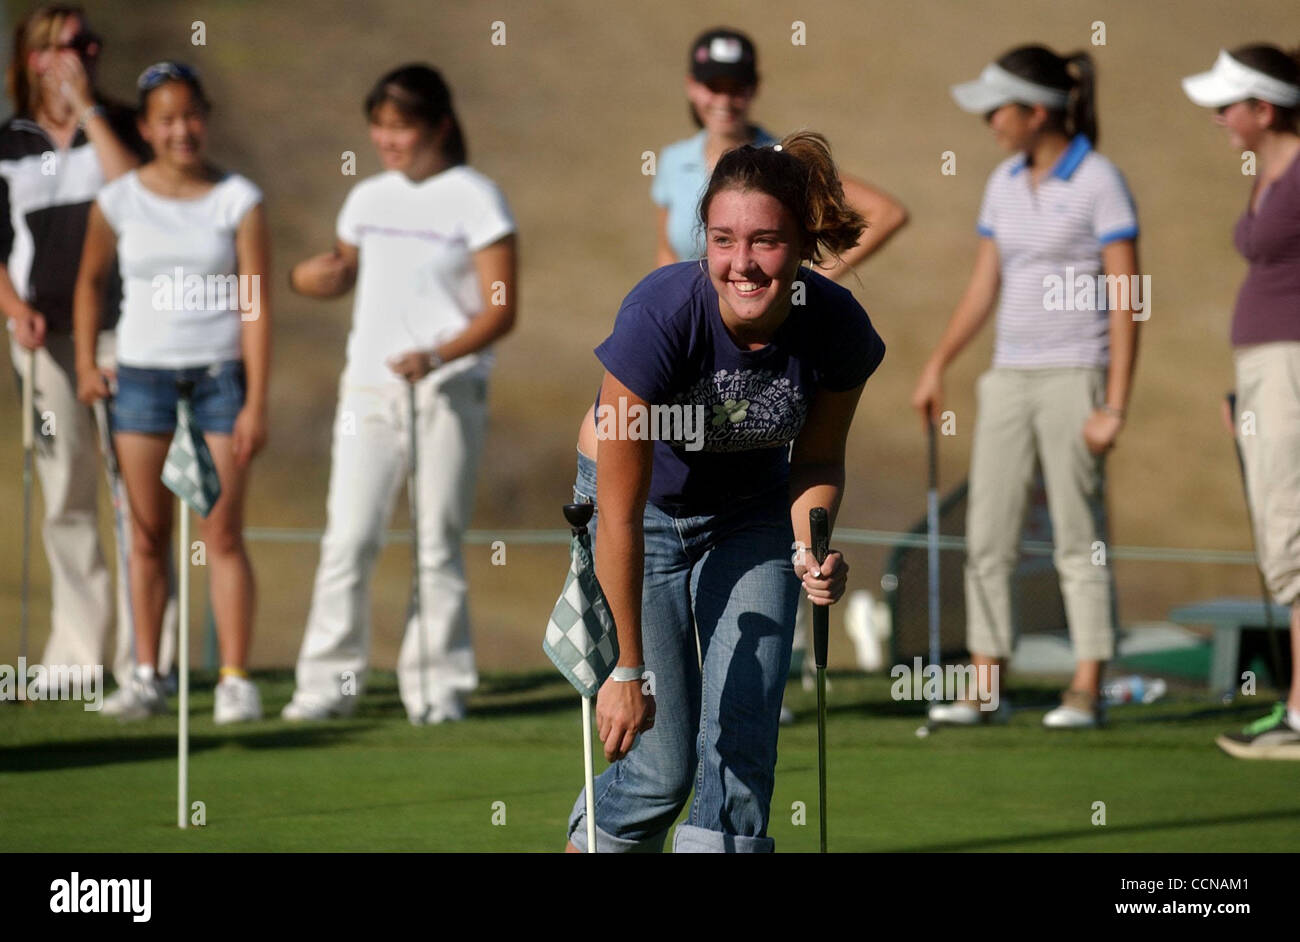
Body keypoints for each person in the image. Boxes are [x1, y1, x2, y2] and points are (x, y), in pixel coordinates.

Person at [566, 131, 884, 853]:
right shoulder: (658, 317)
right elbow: (617, 508)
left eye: (766, 241)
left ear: (802, 243)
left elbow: (819, 460)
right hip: (638, 517)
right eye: (723, 239)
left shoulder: (836, 327)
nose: (742, 263)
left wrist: (812, 546)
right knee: (659, 769)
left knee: (742, 745)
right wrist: (626, 670)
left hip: (750, 517)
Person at [912, 45, 1142, 729]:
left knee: (1078, 534)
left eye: (998, 109)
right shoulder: (1003, 182)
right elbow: (987, 284)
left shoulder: (1100, 180)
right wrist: (940, 361)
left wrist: (1115, 405)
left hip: (1078, 374)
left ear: (1036, 112)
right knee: (989, 535)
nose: (990, 122)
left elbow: (1127, 299)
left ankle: (1086, 686)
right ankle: (986, 686)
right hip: (1009, 376)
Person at [282, 64, 517, 725]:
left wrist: (438, 354)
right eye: (379, 128)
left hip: (448, 391)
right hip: (367, 390)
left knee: (435, 542)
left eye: (401, 127)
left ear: (437, 126)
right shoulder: (367, 200)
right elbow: (340, 272)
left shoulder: (476, 199)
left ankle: (436, 688)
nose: (388, 141)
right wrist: (305, 278)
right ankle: (325, 685)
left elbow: (502, 306)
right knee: (348, 537)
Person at [74, 61, 270, 723]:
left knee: (222, 532)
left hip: (216, 380)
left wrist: (255, 400)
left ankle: (235, 679)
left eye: (191, 116)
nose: (182, 131)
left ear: (205, 118)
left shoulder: (237, 199)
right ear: (145, 127)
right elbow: (90, 283)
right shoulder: (120, 199)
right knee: (146, 533)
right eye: (167, 119)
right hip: (141, 382)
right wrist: (83, 361)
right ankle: (147, 675)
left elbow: (255, 304)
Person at [0, 4, 181, 701]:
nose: (87, 53)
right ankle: (76, 657)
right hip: (44, 340)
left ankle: (149, 659)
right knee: (65, 490)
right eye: (70, 45)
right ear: (35, 57)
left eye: (90, 43)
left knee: (135, 494)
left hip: (121, 335)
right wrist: (14, 310)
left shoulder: (123, 125)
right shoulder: (9, 144)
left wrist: (87, 112)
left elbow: (133, 193)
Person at [1182, 45, 1300, 759]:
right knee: (1285, 534)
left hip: (1290, 370)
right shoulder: (1272, 172)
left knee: (1294, 538)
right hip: (1268, 373)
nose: (1220, 117)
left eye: (1229, 105)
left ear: (1265, 108)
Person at [653, 27, 907, 274]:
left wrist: (819, 277)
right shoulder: (673, 160)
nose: (724, 101)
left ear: (755, 88)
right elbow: (667, 250)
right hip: (694, 313)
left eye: (736, 89)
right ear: (691, 86)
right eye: (714, 87)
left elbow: (887, 213)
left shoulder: (784, 160)